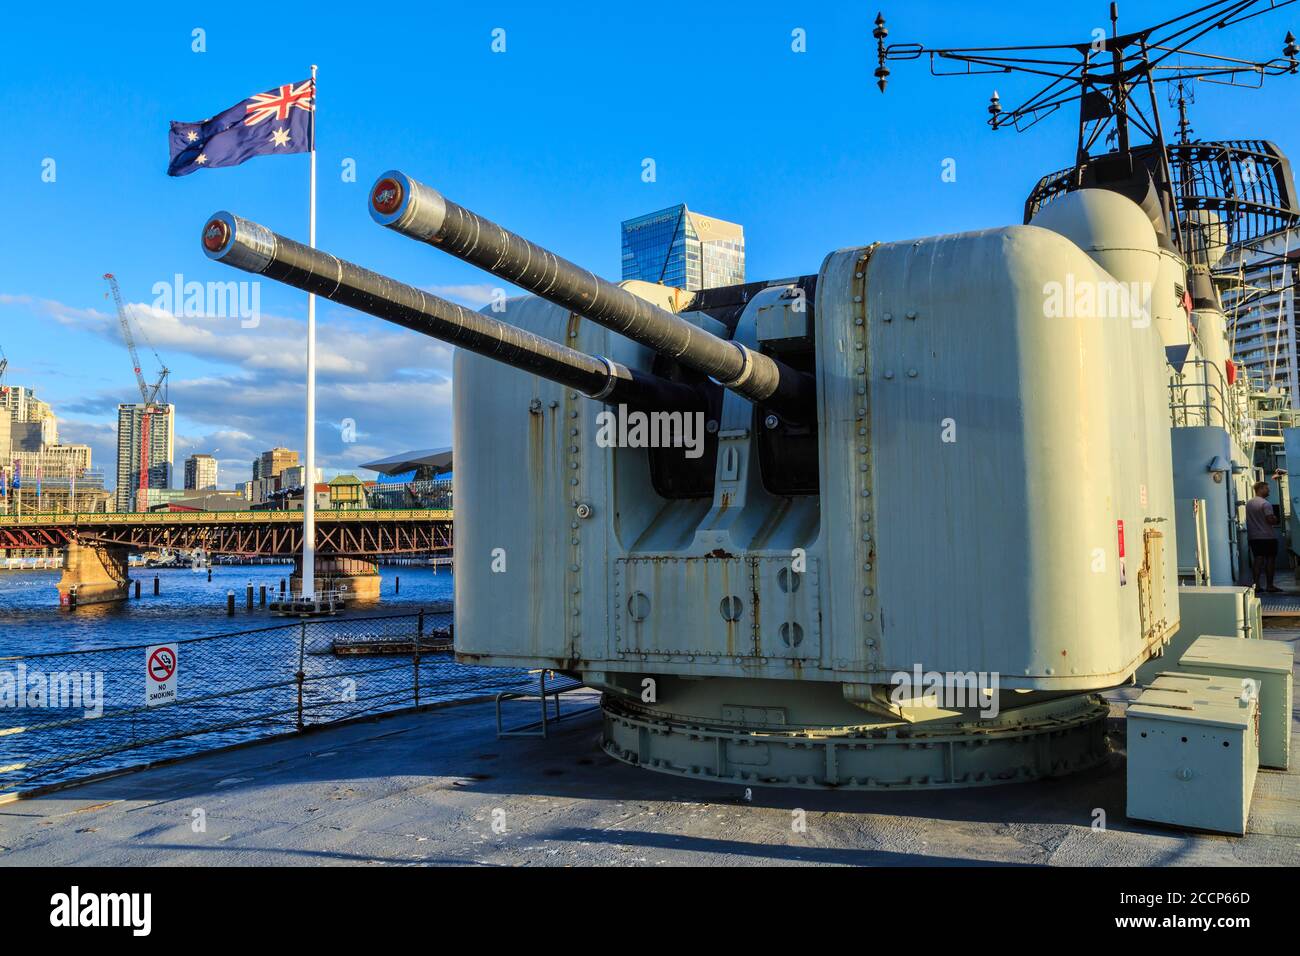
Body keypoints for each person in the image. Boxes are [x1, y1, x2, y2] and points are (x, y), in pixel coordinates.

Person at [1245, 480, 1283, 593]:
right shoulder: (1265, 504)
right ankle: (1270, 586)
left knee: (1258, 560)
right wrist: (1276, 519)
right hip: (1267, 536)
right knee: (1270, 560)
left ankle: (1256, 586)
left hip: (1254, 536)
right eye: (1267, 488)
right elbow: (1270, 519)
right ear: (1260, 488)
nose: (1269, 490)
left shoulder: (1249, 503)